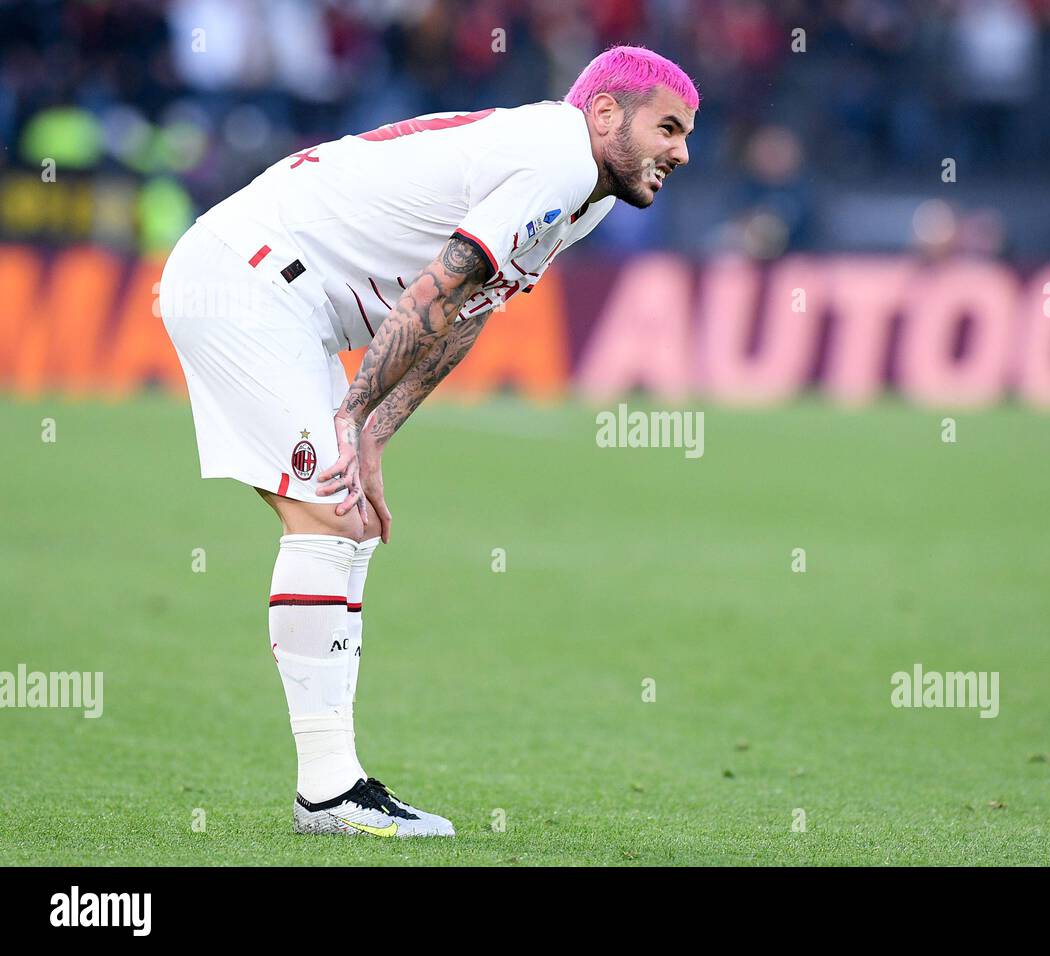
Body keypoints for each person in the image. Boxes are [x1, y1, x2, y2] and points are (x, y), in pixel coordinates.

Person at [159, 46, 698, 838]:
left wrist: (373, 428)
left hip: (288, 294)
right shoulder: (555, 158)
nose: (683, 151)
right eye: (670, 128)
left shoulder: (590, 192)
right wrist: (351, 412)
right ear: (606, 113)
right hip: (245, 277)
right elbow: (433, 288)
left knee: (355, 525)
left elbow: (468, 306)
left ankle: (332, 787)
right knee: (331, 516)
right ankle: (329, 793)